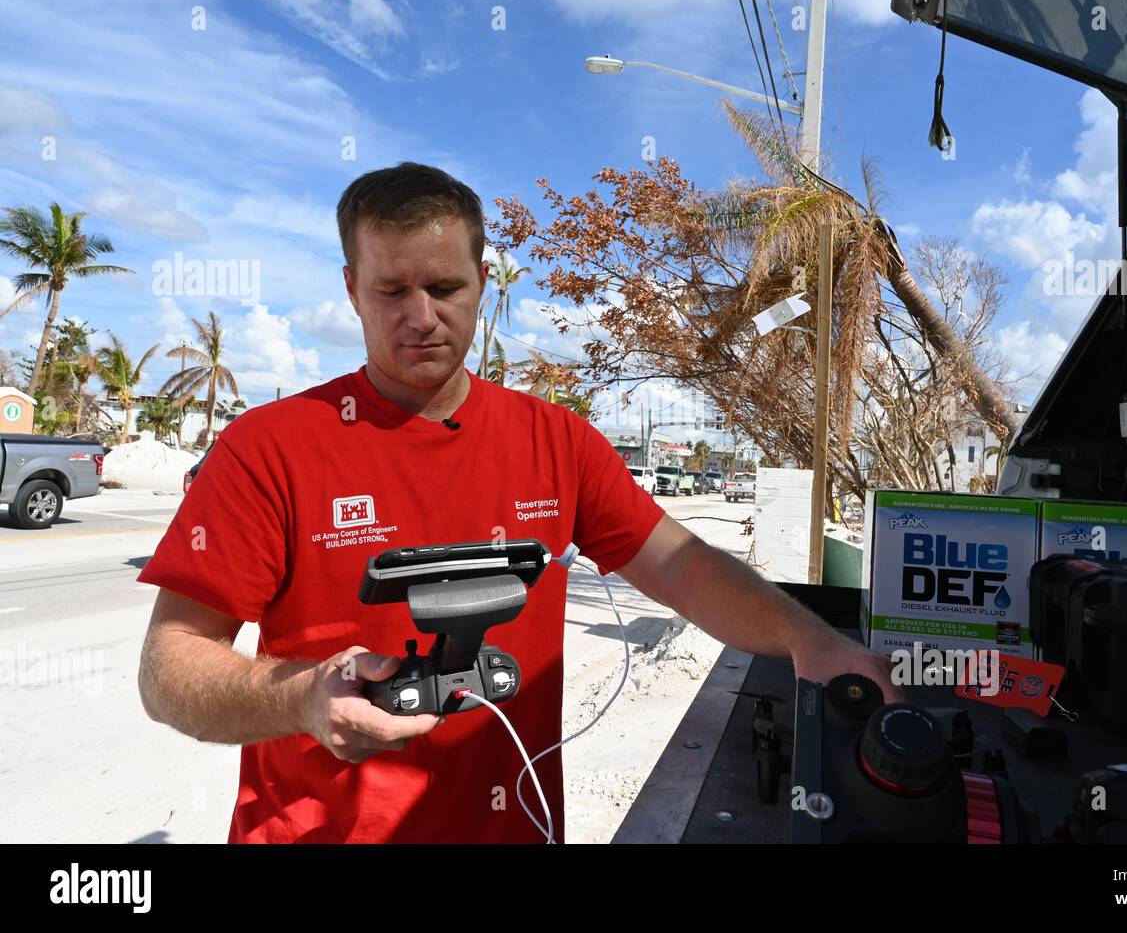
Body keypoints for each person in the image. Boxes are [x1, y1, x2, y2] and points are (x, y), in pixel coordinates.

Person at [136, 162, 899, 843]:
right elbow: (168, 672)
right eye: (391, 290)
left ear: (483, 282)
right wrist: (302, 700)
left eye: (444, 288)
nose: (420, 316)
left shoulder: (555, 442)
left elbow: (684, 566)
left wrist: (812, 642)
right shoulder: (269, 447)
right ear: (350, 290)